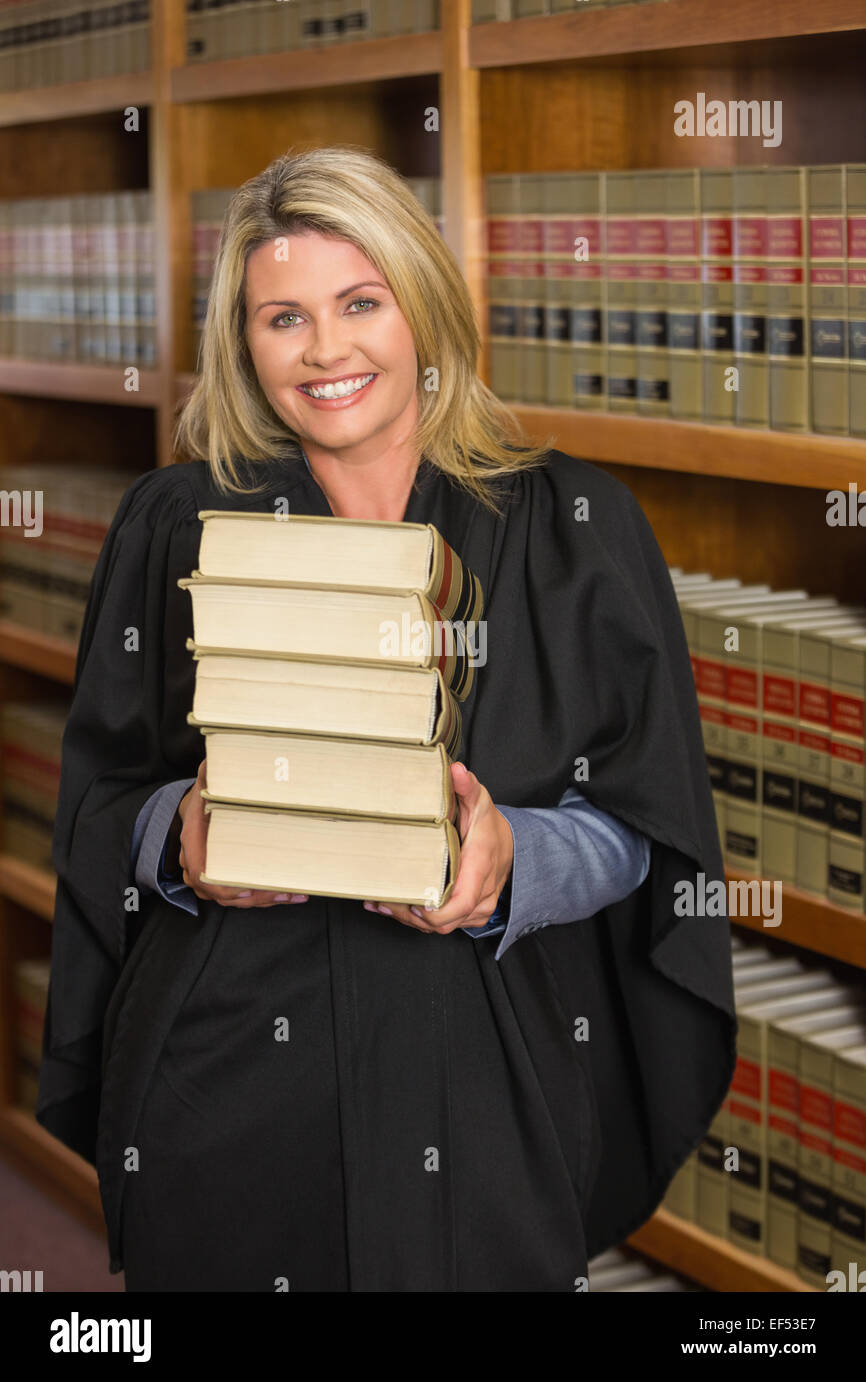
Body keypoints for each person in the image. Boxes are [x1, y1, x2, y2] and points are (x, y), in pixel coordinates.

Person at [37, 145, 736, 1293]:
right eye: (282, 317)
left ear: (419, 304)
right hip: (224, 1065)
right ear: (242, 340)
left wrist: (516, 857)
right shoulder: (175, 524)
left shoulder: (574, 525)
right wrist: (178, 837)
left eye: (359, 303)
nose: (325, 350)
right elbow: (101, 799)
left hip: (482, 1070)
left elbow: (645, 830)